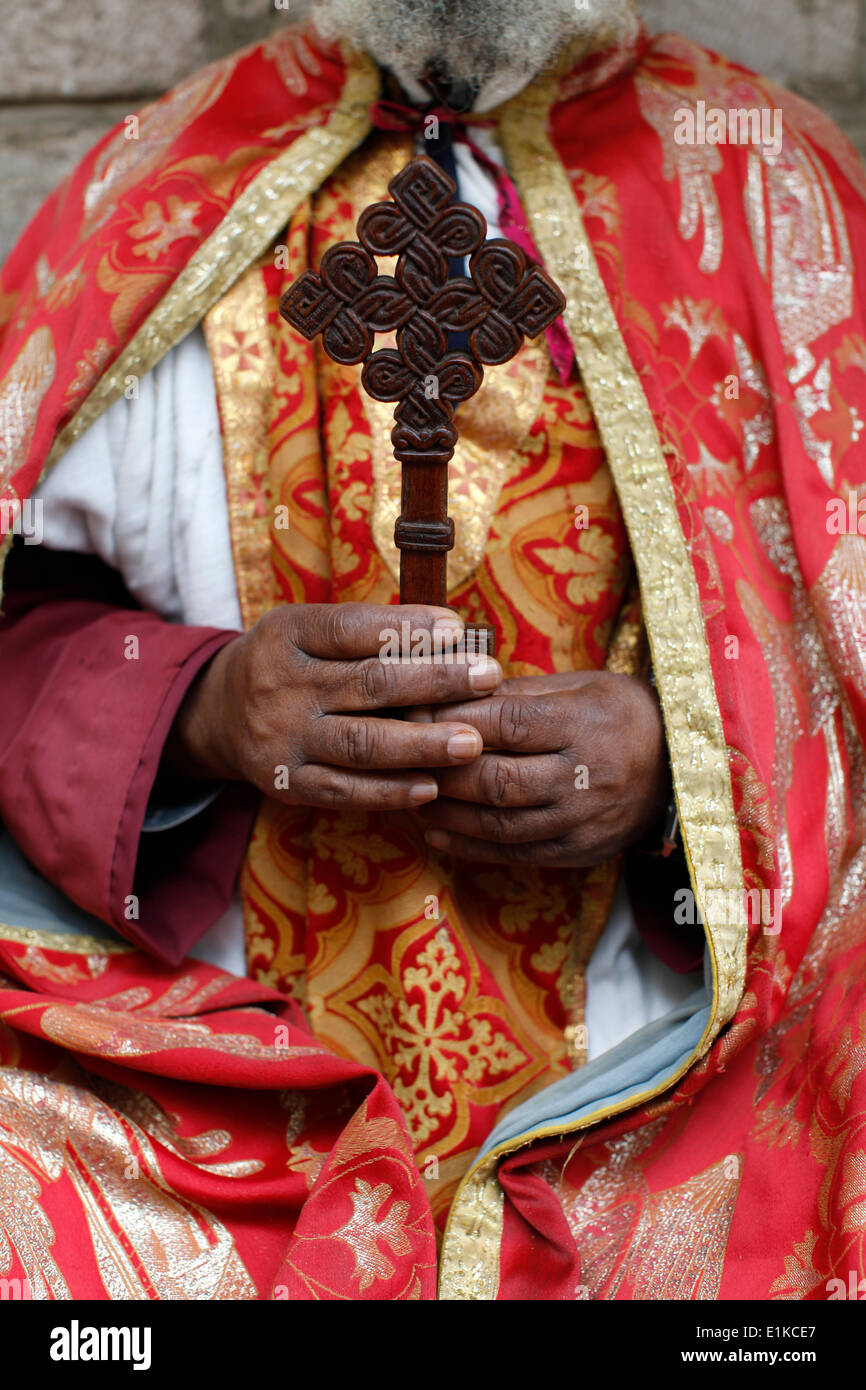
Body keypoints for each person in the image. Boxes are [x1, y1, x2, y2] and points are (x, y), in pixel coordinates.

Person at [0, 0, 863, 1301]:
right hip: (215, 1067)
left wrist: (682, 769)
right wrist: (200, 708)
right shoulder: (171, 175)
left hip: (662, 1066)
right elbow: (22, 620)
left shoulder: (762, 179)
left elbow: (838, 659)